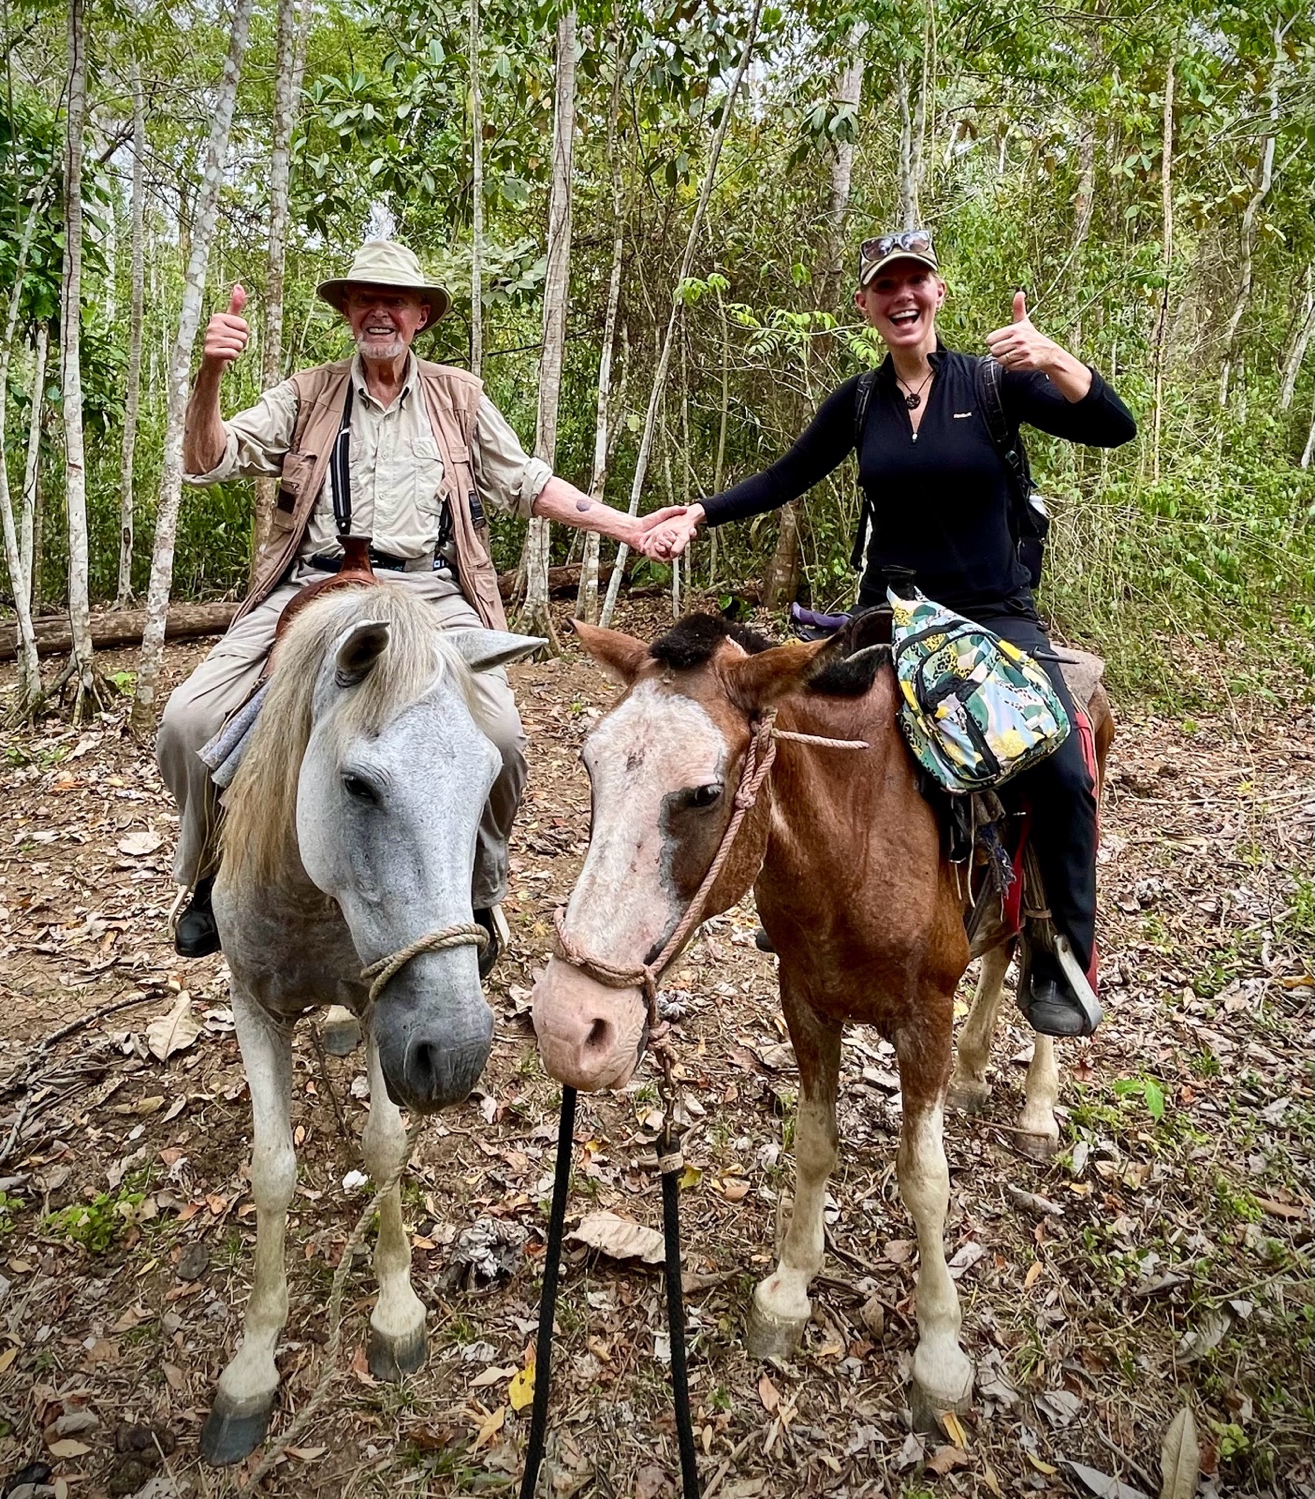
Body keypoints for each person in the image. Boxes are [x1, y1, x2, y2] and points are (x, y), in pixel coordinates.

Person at [641, 229, 1137, 1036]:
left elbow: (1112, 428)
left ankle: (1060, 952)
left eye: (914, 281)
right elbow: (785, 474)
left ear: (936, 292)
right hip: (890, 614)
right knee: (808, 737)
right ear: (867, 304)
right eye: (885, 285)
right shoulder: (860, 401)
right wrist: (700, 511)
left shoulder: (996, 383)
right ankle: (807, 895)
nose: (901, 296)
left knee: (1062, 769)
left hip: (991, 614)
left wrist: (1052, 358)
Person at [161, 239, 678, 964]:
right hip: (314, 584)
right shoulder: (307, 394)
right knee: (187, 721)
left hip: (428, 587)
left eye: (396, 299)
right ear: (346, 311)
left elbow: (525, 482)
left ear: (420, 316)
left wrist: (627, 525)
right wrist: (210, 373)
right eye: (365, 298)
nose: (380, 311)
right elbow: (208, 458)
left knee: (498, 737)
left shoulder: (457, 396)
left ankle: (477, 888)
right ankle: (213, 871)